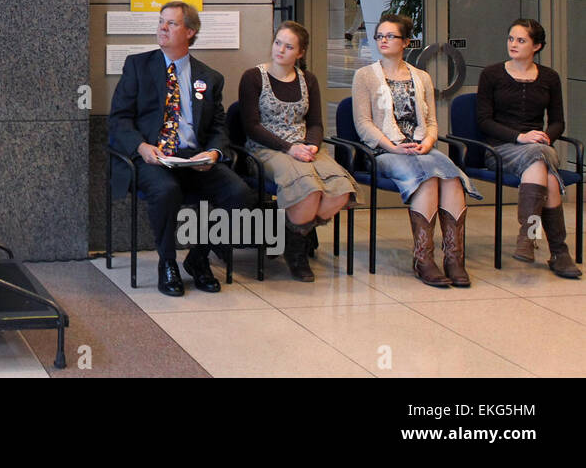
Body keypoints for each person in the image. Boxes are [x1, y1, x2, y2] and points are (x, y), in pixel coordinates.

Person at [109, 1, 257, 296]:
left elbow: (218, 127)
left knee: (240, 195)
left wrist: (213, 153)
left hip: (194, 158)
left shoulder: (209, 77)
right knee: (166, 191)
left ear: (190, 31)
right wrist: (142, 147)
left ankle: (198, 258)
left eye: (171, 23)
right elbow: (119, 119)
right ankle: (168, 262)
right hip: (153, 156)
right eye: (161, 22)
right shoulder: (138, 66)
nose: (162, 28)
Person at [352, 14, 480, 287]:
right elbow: (363, 124)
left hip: (422, 147)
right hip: (385, 151)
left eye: (390, 36)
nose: (383, 41)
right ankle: (423, 259)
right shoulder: (364, 76)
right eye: (380, 36)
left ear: (406, 42)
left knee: (451, 177)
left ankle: (454, 258)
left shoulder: (421, 77)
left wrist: (429, 142)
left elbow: (432, 122)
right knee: (428, 178)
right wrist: (394, 147)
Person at [239, 21, 355, 281]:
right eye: (278, 42)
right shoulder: (253, 77)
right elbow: (252, 126)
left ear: (300, 53)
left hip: (304, 147)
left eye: (288, 46)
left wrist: (312, 145)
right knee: (309, 189)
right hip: (267, 148)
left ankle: (290, 231)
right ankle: (297, 253)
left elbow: (315, 123)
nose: (280, 49)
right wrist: (290, 148)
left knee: (340, 189)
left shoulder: (308, 79)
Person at [476, 18, 579, 278]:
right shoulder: (491, 74)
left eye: (521, 40)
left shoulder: (549, 78)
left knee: (539, 159)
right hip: (501, 148)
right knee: (550, 179)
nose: (513, 44)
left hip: (538, 147)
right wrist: (520, 137)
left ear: (537, 46)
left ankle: (529, 237)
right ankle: (558, 251)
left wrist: (545, 136)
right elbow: (483, 121)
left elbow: (558, 122)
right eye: (511, 38)